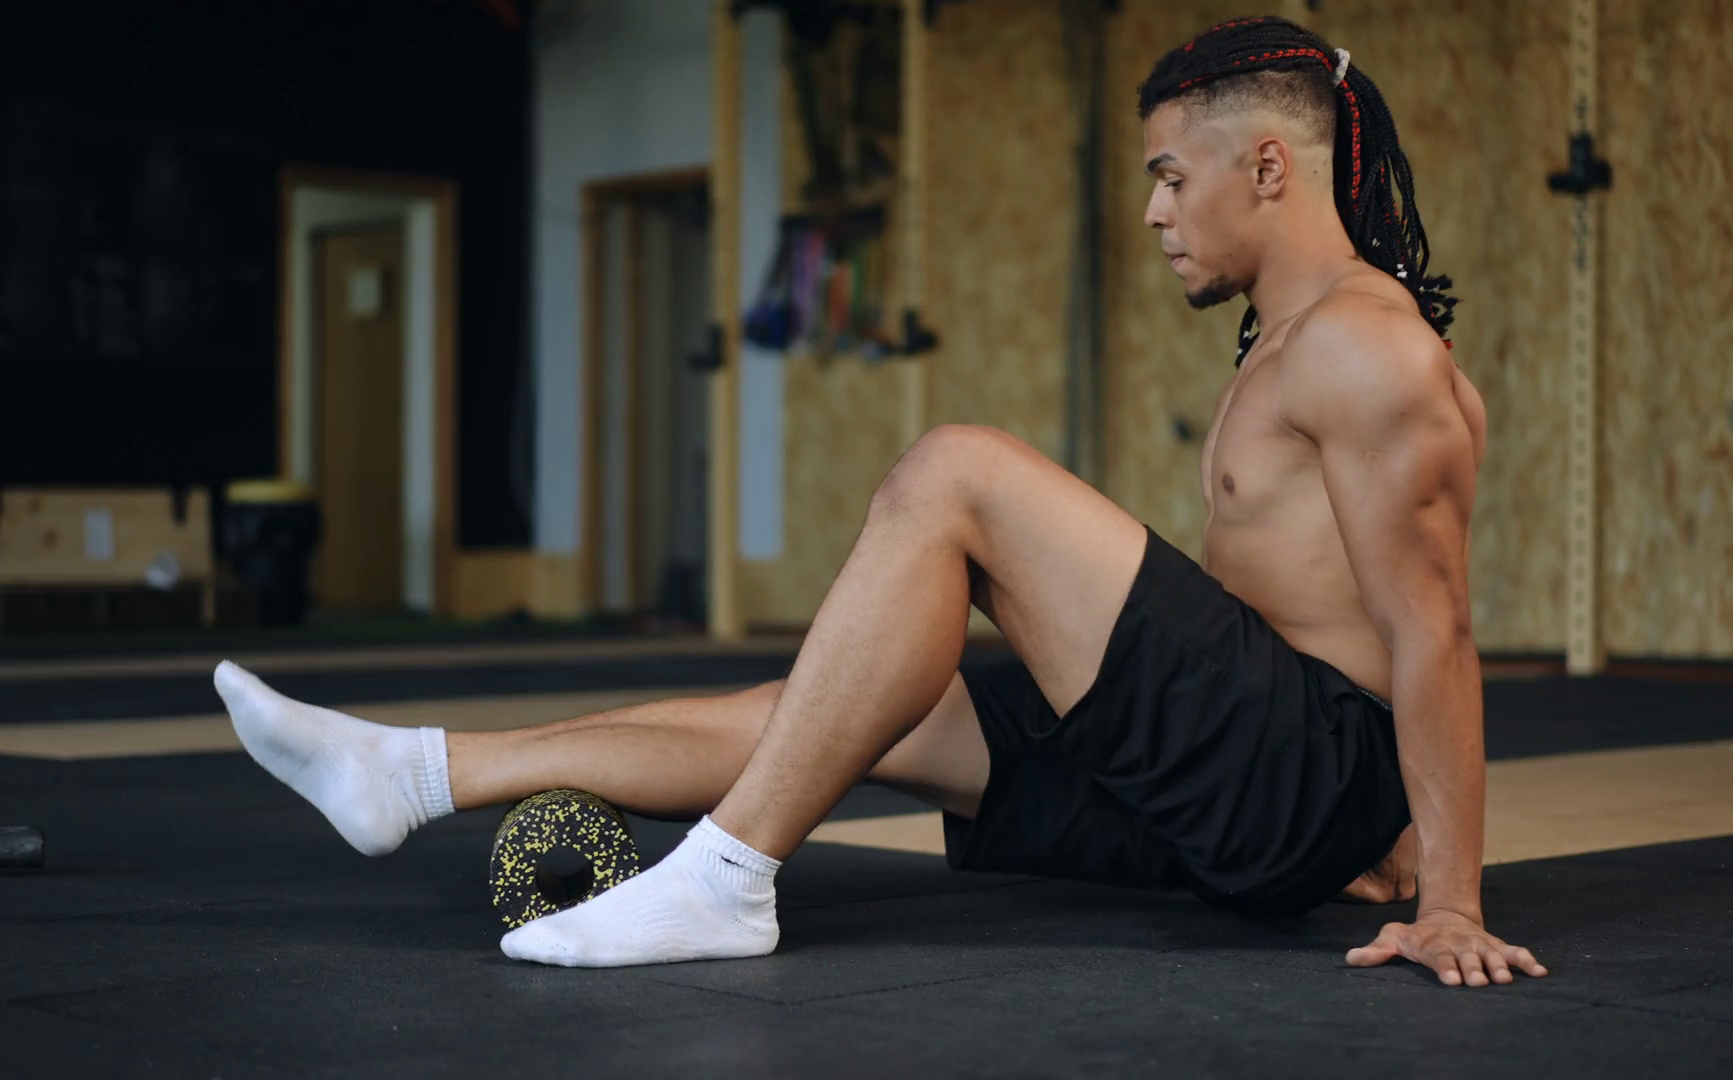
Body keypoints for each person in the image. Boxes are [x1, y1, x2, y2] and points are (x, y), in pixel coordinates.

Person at [214, 15, 1546, 988]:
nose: (1153, 211)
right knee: (827, 711)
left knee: (958, 471)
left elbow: (1432, 631)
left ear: (1267, 167)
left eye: (1169, 175)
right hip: (1235, 782)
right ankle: (413, 773)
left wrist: (1449, 895)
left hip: (1290, 774)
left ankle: (730, 880)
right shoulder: (1280, 337)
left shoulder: (1371, 351)